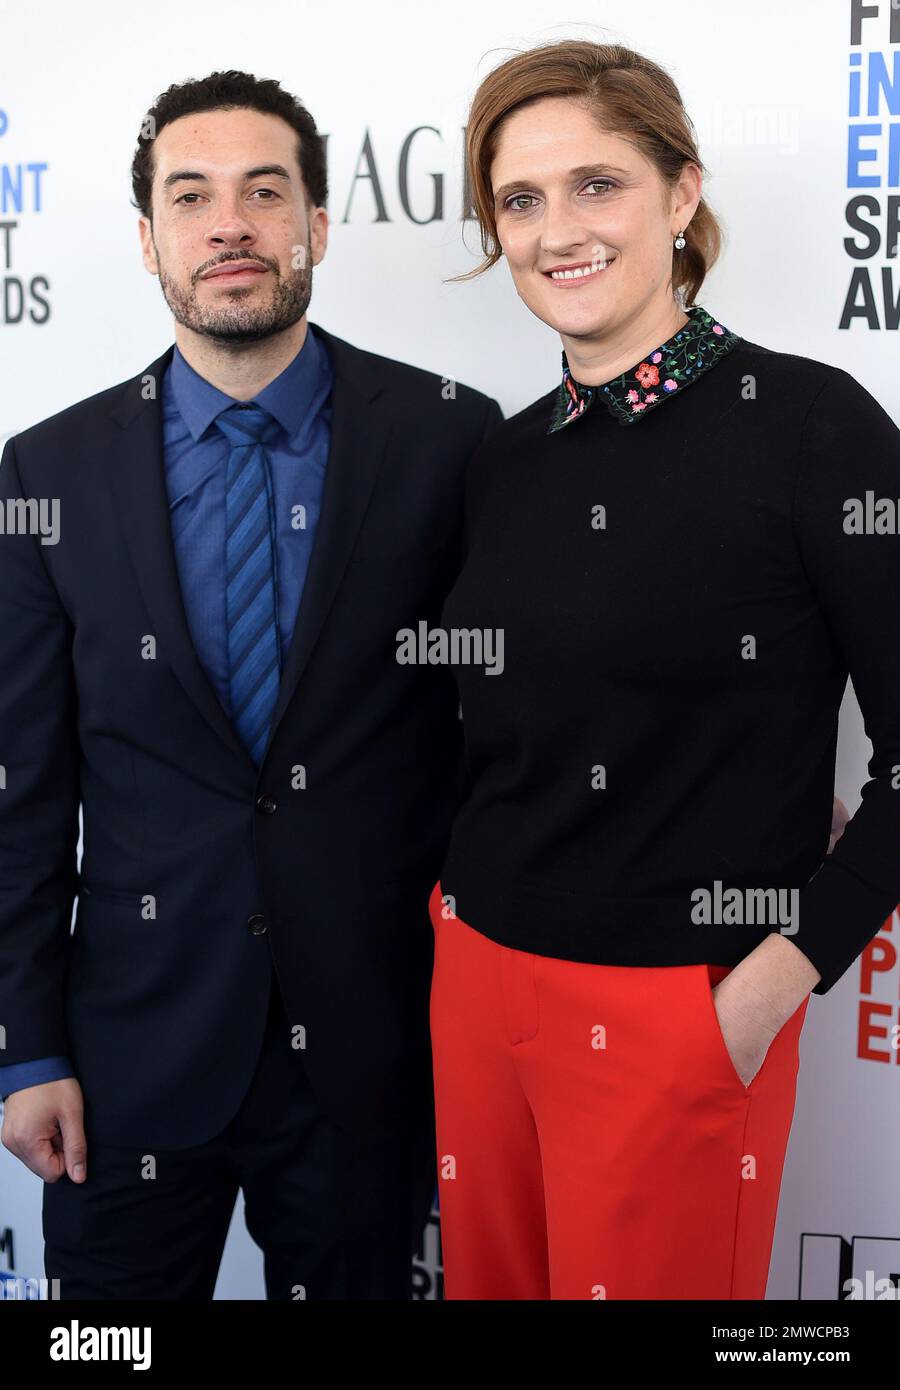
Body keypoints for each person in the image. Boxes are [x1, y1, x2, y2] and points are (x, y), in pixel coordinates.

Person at [0, 70, 500, 1299]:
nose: (230, 224)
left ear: (316, 227)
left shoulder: (452, 439)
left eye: (264, 192)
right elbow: (22, 793)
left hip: (374, 1053)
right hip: (127, 1059)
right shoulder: (46, 468)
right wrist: (26, 1050)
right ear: (148, 239)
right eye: (192, 196)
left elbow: (506, 727)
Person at [428, 40, 900, 1300]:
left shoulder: (815, 425)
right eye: (520, 200)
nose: (556, 231)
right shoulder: (501, 458)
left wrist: (768, 984)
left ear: (681, 196)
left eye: (599, 185)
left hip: (681, 1009)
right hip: (478, 987)